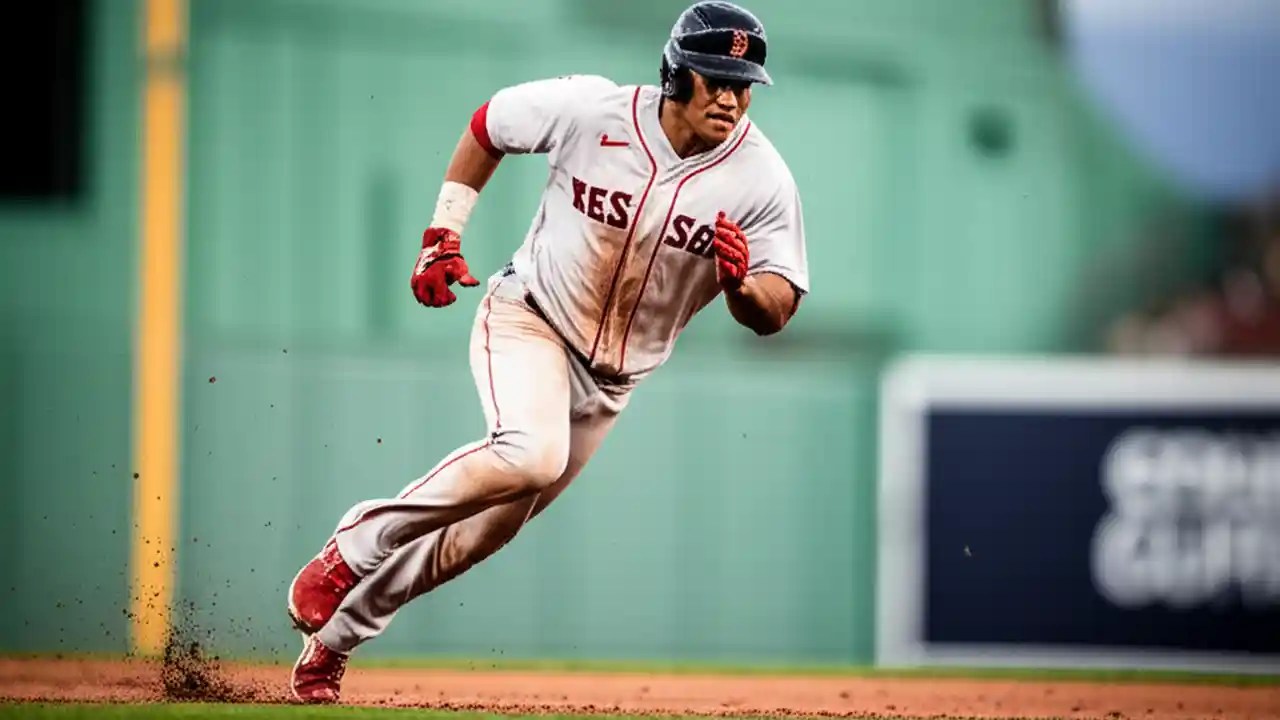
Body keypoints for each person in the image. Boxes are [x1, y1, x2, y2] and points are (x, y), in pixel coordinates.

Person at [285, 0, 809, 703]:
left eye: (743, 82)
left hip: (610, 384)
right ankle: (352, 545)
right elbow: (489, 123)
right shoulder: (594, 112)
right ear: (675, 74)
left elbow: (776, 309)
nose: (730, 96)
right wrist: (444, 231)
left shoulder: (763, 178)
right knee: (532, 453)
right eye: (714, 77)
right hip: (530, 318)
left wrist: (742, 286)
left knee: (472, 540)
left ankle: (333, 644)